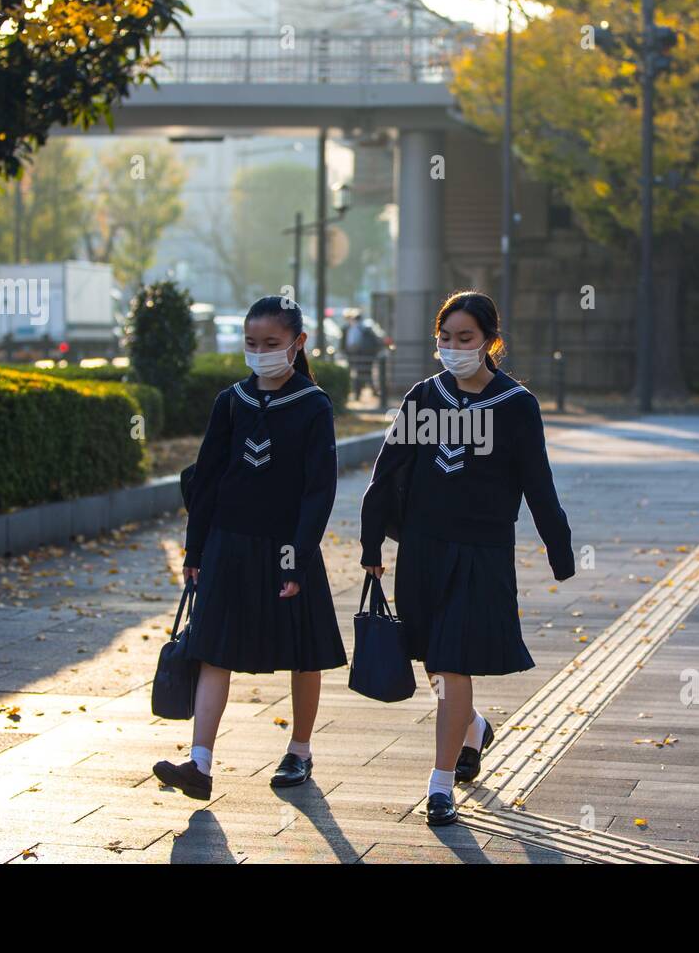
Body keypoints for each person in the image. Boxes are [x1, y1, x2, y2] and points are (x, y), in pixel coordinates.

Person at [359, 289, 575, 826]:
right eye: (446, 338)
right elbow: (386, 473)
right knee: (436, 660)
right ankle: (474, 728)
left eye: (466, 339)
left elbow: (537, 483)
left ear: (490, 341)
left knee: (454, 661)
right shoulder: (423, 399)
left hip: (483, 552)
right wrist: (370, 545)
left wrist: (560, 547)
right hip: (423, 549)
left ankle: (439, 786)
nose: (453, 347)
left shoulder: (517, 406)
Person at [154, 296, 345, 800]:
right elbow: (207, 482)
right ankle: (199, 762)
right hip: (227, 546)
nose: (260, 353)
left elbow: (318, 490)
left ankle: (299, 751)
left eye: (272, 344)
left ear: (298, 344)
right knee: (213, 649)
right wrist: (194, 554)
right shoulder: (231, 401)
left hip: (287, 549)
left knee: (303, 653)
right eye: (251, 344)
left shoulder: (313, 405)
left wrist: (298, 560)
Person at [343, 311, 381, 400]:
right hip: (362, 355)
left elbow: (351, 343)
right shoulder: (364, 328)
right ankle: (362, 392)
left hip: (359, 355)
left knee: (360, 374)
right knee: (364, 373)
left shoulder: (358, 328)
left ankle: (358, 393)